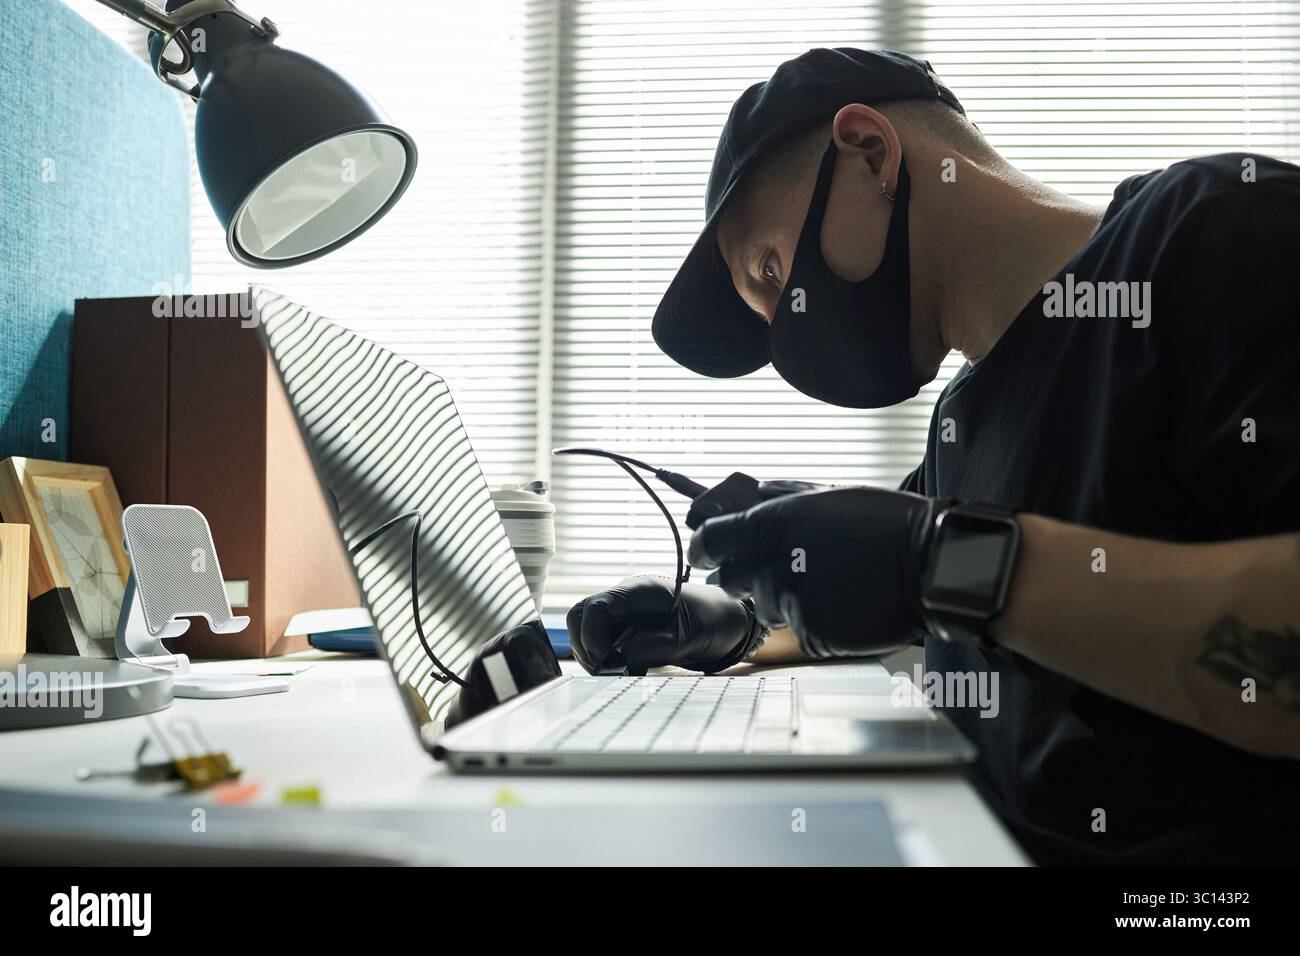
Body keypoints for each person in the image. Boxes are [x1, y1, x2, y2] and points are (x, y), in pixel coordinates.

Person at [564, 48, 1300, 865]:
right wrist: (730, 624)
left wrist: (947, 564)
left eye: (771, 271)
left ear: (870, 151)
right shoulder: (964, 419)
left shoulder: (1217, 233)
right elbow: (914, 606)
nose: (787, 333)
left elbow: (959, 576)